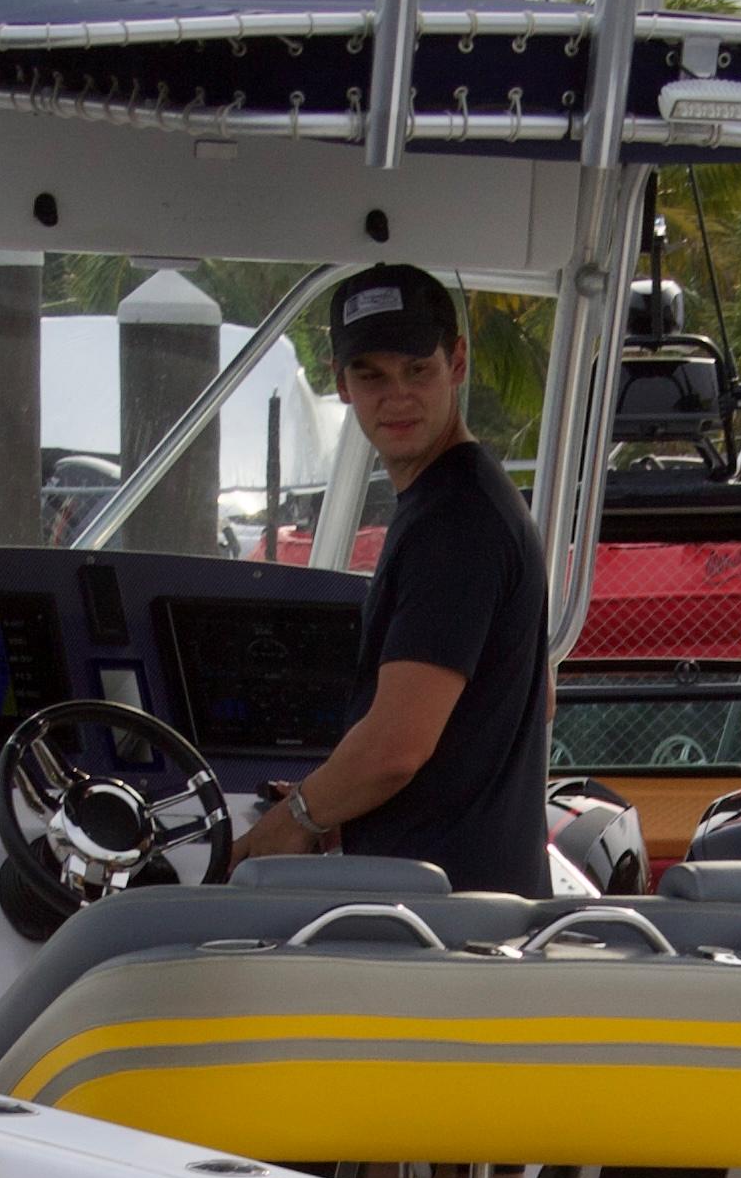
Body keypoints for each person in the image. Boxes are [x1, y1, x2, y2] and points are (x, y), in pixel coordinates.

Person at [234, 262, 550, 892]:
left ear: (456, 363)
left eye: (417, 370)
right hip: (475, 901)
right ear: (341, 383)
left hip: (443, 922)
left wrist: (293, 820)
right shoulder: (468, 497)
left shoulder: (455, 523)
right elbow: (537, 701)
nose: (396, 396)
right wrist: (333, 799)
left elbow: (396, 749)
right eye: (370, 375)